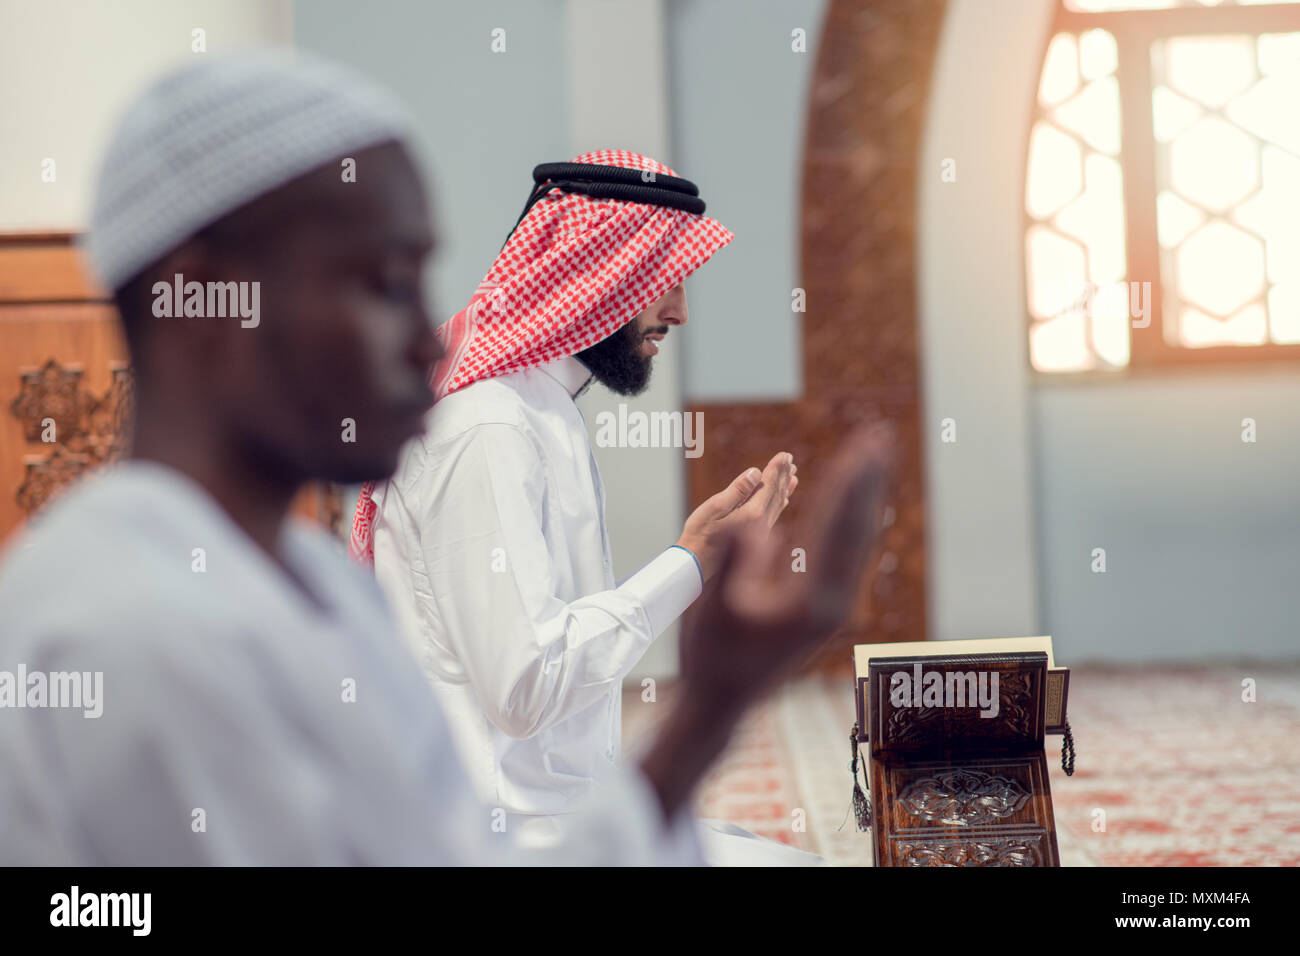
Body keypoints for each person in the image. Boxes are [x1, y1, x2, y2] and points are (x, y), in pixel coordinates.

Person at [0, 52, 895, 865]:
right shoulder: (130, 627)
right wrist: (694, 618)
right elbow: (522, 699)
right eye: (383, 284)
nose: (432, 345)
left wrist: (709, 702)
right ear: (202, 298)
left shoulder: (310, 580)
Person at [350, 154, 816, 862]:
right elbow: (526, 686)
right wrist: (687, 566)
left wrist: (696, 550)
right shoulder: (489, 428)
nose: (680, 310)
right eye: (663, 277)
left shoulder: (542, 408)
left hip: (560, 817)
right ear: (594, 273)